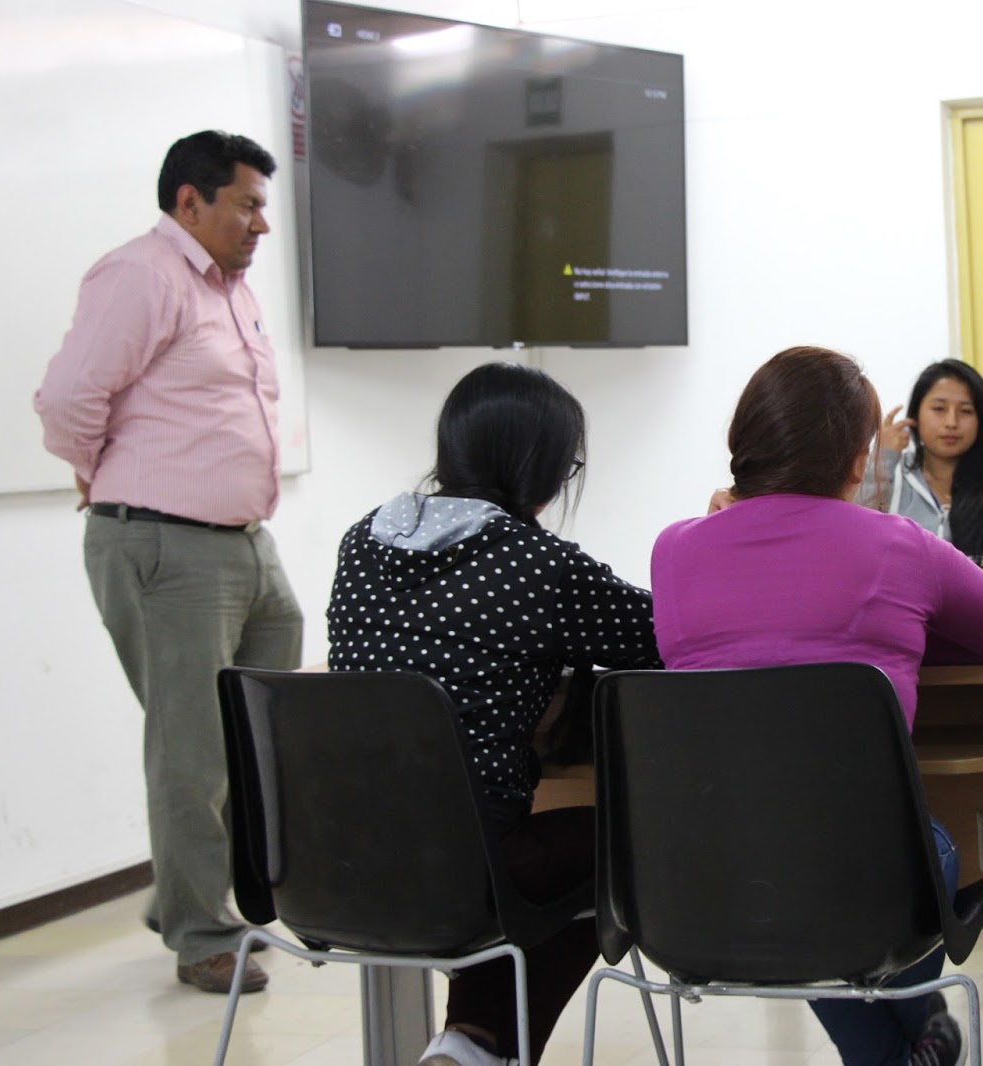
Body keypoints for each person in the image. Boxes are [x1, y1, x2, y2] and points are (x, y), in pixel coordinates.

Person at [651, 345, 983, 1066]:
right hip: (862, 881)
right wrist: (907, 637)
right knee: (914, 856)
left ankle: (901, 1049)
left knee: (795, 884)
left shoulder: (674, 549)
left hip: (699, 879)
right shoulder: (897, 544)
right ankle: (904, 1039)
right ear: (858, 459)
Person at [326, 362, 660, 1066]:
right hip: (465, 869)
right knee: (626, 835)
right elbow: (669, 637)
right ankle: (479, 1047)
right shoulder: (537, 564)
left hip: (330, 858)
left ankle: (471, 1044)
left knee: (500, 854)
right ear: (538, 467)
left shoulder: (361, 543)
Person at [34, 130, 302, 995]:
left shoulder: (232, 292)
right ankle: (200, 934)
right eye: (248, 203)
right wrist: (97, 475)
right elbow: (69, 399)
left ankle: (185, 895)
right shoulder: (141, 276)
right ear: (190, 202)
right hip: (162, 541)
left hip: (243, 544)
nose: (262, 222)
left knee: (256, 729)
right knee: (191, 750)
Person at [864, 359, 983, 564]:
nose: (951, 422)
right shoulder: (893, 473)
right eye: (939, 409)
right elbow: (855, 539)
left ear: (981, 419)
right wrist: (882, 458)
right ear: (915, 415)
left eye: (965, 411)